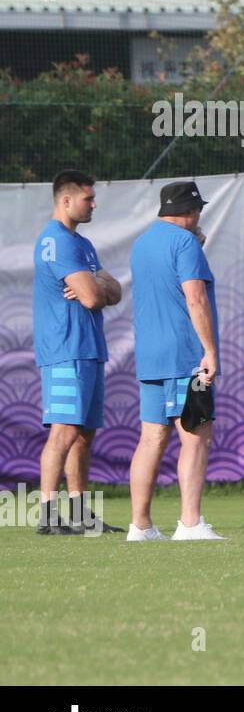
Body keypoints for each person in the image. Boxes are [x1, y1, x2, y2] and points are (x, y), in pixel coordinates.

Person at [128, 181, 224, 541]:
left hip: (150, 356)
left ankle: (140, 526)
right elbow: (195, 298)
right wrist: (210, 351)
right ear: (192, 209)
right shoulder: (184, 243)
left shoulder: (143, 243)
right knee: (196, 434)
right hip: (185, 356)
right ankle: (190, 523)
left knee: (151, 438)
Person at [32, 170, 123, 535]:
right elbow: (91, 297)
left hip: (88, 348)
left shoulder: (82, 244)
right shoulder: (57, 241)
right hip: (66, 348)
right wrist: (96, 288)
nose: (94, 204)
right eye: (88, 198)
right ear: (65, 200)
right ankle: (48, 515)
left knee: (84, 434)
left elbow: (113, 291)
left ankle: (82, 515)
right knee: (64, 431)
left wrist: (97, 285)